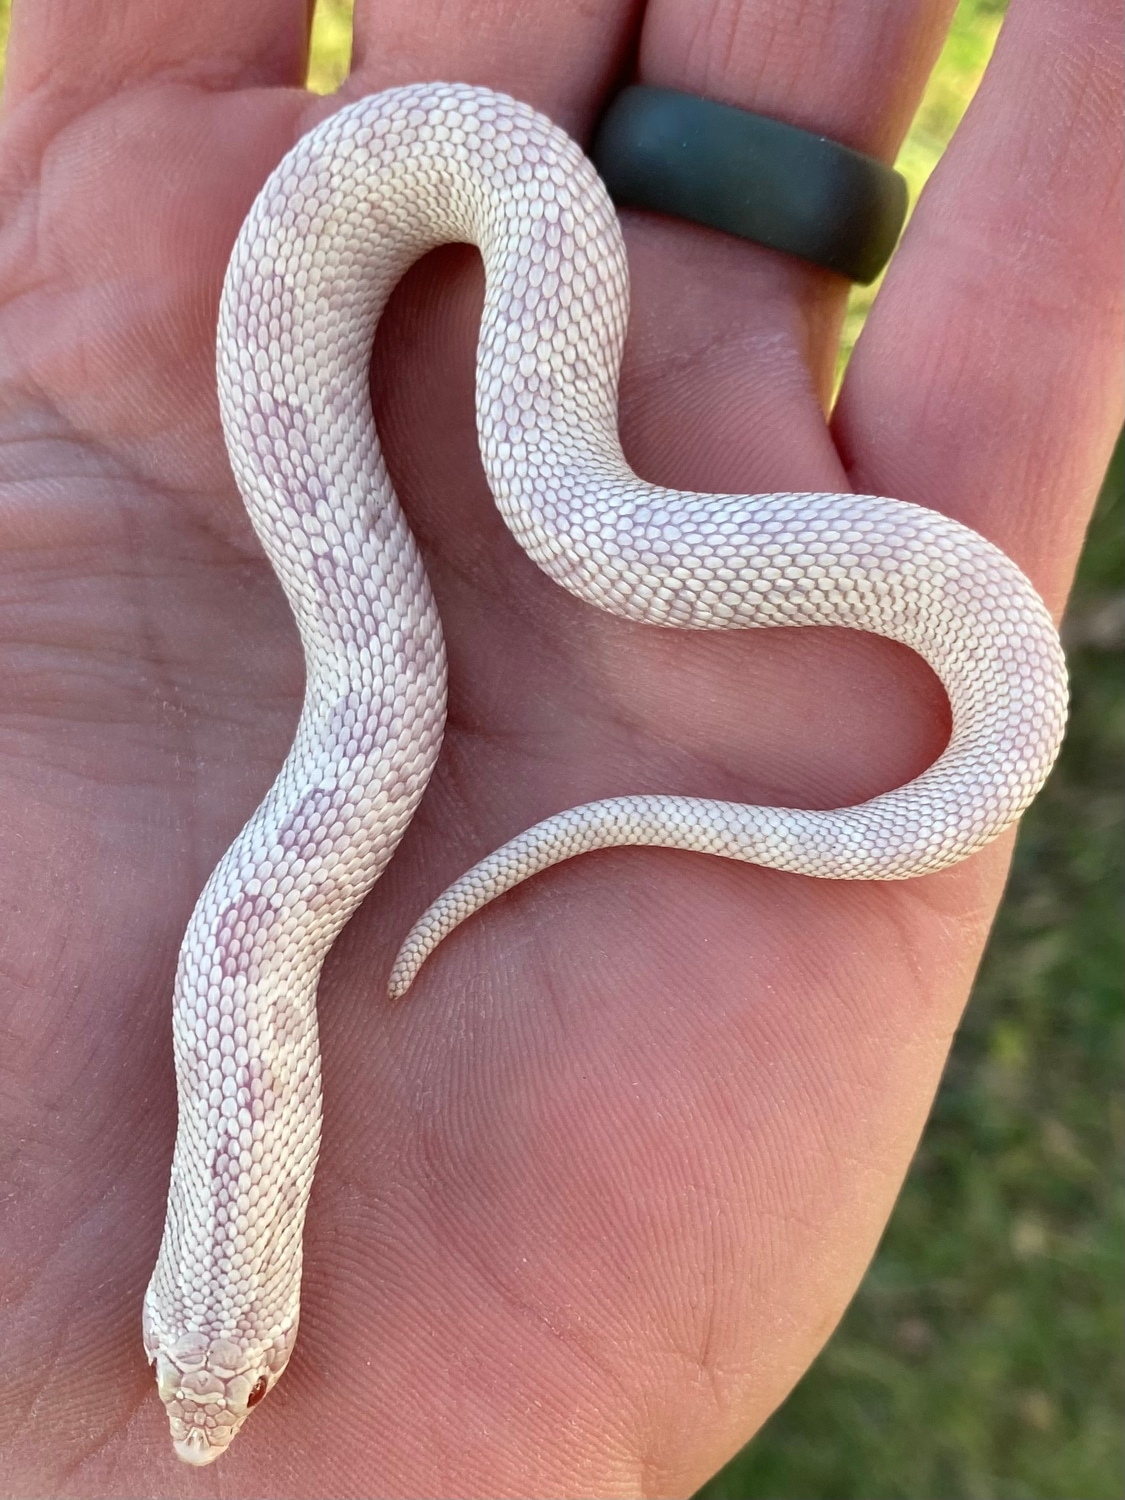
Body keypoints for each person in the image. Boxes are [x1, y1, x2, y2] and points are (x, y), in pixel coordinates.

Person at [0, 0, 1119, 1493]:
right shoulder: (229, 965)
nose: (211, 1418)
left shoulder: (239, 961)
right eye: (244, 1371)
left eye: (222, 1367)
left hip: (480, 184)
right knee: (556, 533)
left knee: (571, 513)